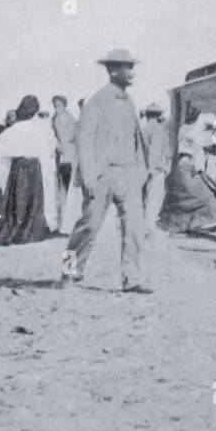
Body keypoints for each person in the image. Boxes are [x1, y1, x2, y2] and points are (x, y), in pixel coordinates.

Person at [60, 48, 152, 293]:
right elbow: (85, 140)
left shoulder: (129, 102)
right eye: (127, 67)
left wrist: (140, 173)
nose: (131, 72)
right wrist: (89, 175)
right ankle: (68, 272)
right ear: (113, 71)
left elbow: (136, 140)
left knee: (134, 227)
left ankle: (131, 278)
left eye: (132, 66)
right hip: (101, 176)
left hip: (128, 174)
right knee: (88, 226)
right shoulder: (96, 102)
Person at [0, 95, 58, 245]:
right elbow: (49, 148)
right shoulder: (40, 129)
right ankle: (33, 230)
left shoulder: (15, 129)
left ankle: (19, 229)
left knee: (19, 201)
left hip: (20, 169)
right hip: (36, 169)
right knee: (34, 201)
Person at [158, 111, 216, 233]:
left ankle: (205, 222)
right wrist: (209, 122)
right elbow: (192, 139)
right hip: (184, 170)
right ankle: (210, 221)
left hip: (188, 169)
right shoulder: (188, 130)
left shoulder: (196, 131)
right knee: (204, 196)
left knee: (195, 198)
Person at [140, 101, 172, 226]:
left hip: (143, 168)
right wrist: (153, 169)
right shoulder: (158, 129)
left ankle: (144, 224)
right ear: (158, 115)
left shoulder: (145, 129)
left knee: (146, 197)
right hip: (156, 168)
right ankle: (148, 226)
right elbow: (155, 151)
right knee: (154, 198)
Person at [51, 95, 78, 225]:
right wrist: (57, 145)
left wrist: (65, 146)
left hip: (69, 155)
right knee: (60, 186)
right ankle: (61, 220)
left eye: (59, 106)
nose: (57, 109)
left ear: (64, 105)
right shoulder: (53, 120)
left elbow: (73, 136)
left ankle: (68, 220)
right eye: (55, 106)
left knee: (68, 185)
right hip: (59, 156)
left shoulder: (70, 119)